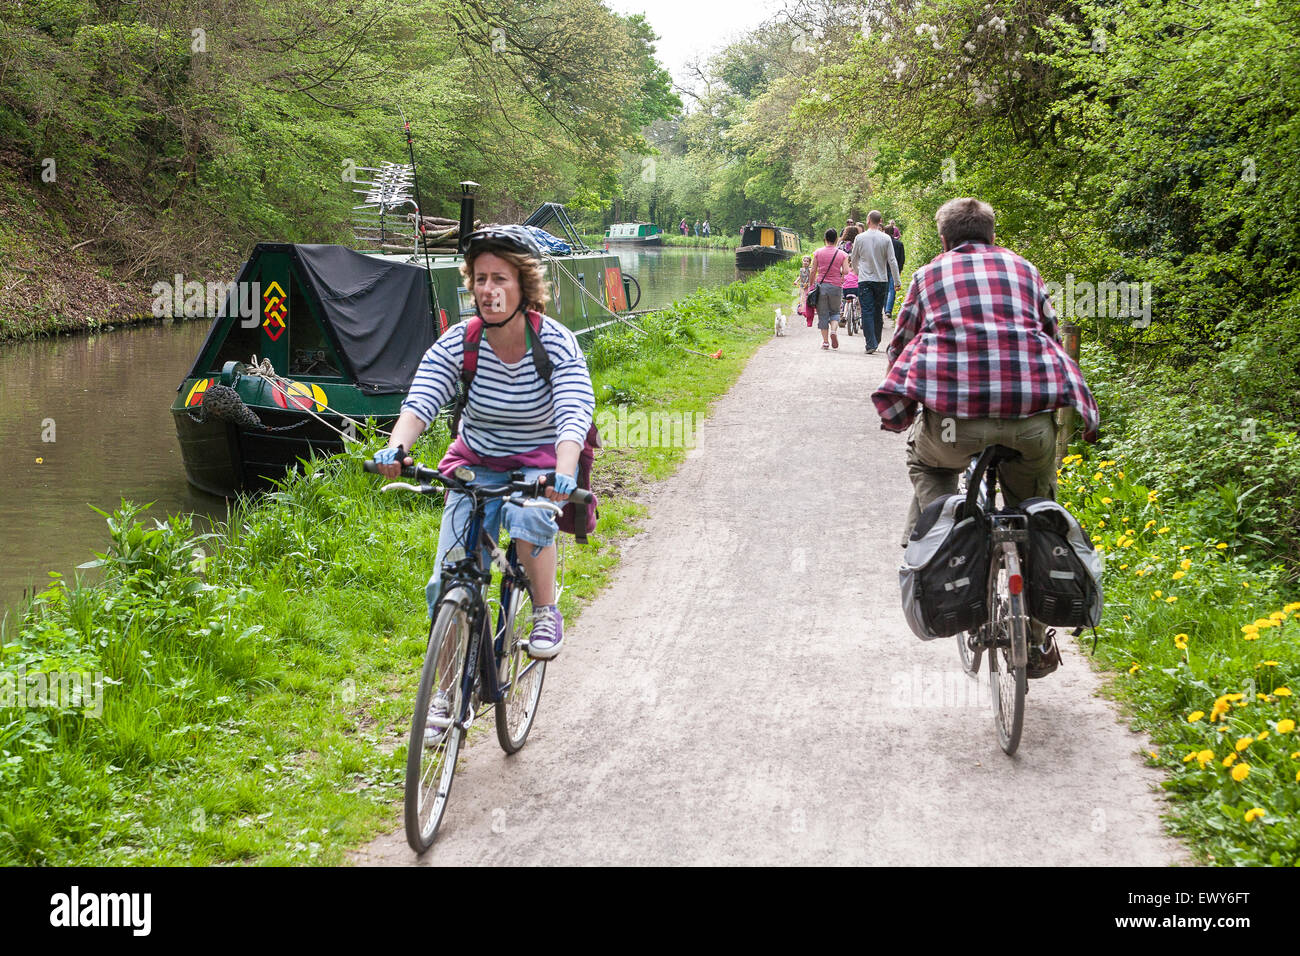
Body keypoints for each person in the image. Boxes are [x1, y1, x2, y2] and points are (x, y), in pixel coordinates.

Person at [871, 197, 1100, 677]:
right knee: (1035, 514)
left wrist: (905, 403)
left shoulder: (928, 276)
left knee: (927, 463)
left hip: (953, 426)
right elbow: (1052, 335)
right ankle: (1036, 642)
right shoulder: (1026, 270)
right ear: (993, 234)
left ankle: (941, 533)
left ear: (944, 239)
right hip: (1029, 424)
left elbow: (901, 344)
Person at [372, 224, 595, 670]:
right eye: (480, 278)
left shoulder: (553, 342)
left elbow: (574, 410)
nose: (488, 289)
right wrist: (397, 447)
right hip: (476, 462)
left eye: (500, 279)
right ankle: (449, 693)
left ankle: (545, 610)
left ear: (523, 286)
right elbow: (423, 399)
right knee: (445, 582)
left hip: (540, 463)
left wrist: (564, 471)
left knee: (530, 518)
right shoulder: (461, 340)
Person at [849, 210, 900, 354]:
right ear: (881, 221)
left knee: (867, 310)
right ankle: (876, 340)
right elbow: (892, 260)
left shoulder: (860, 238)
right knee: (878, 311)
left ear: (868, 220)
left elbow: (854, 258)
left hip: (865, 280)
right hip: (881, 279)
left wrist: (858, 272)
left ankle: (870, 343)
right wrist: (897, 280)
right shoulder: (886, 238)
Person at [811, 227, 848, 350]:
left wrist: (811, 286)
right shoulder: (842, 254)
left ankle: (825, 342)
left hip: (821, 287)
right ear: (837, 239)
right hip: (836, 287)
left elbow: (813, 271)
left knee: (823, 314)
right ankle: (833, 331)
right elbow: (846, 271)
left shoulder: (818, 252)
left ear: (825, 239)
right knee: (835, 312)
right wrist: (841, 275)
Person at [883, 225, 906, 322]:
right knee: (892, 290)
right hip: (894, 269)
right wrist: (899, 270)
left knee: (885, 289)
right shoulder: (899, 244)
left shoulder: (883, 243)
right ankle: (888, 310)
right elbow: (902, 258)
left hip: (884, 268)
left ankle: (885, 309)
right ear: (893, 232)